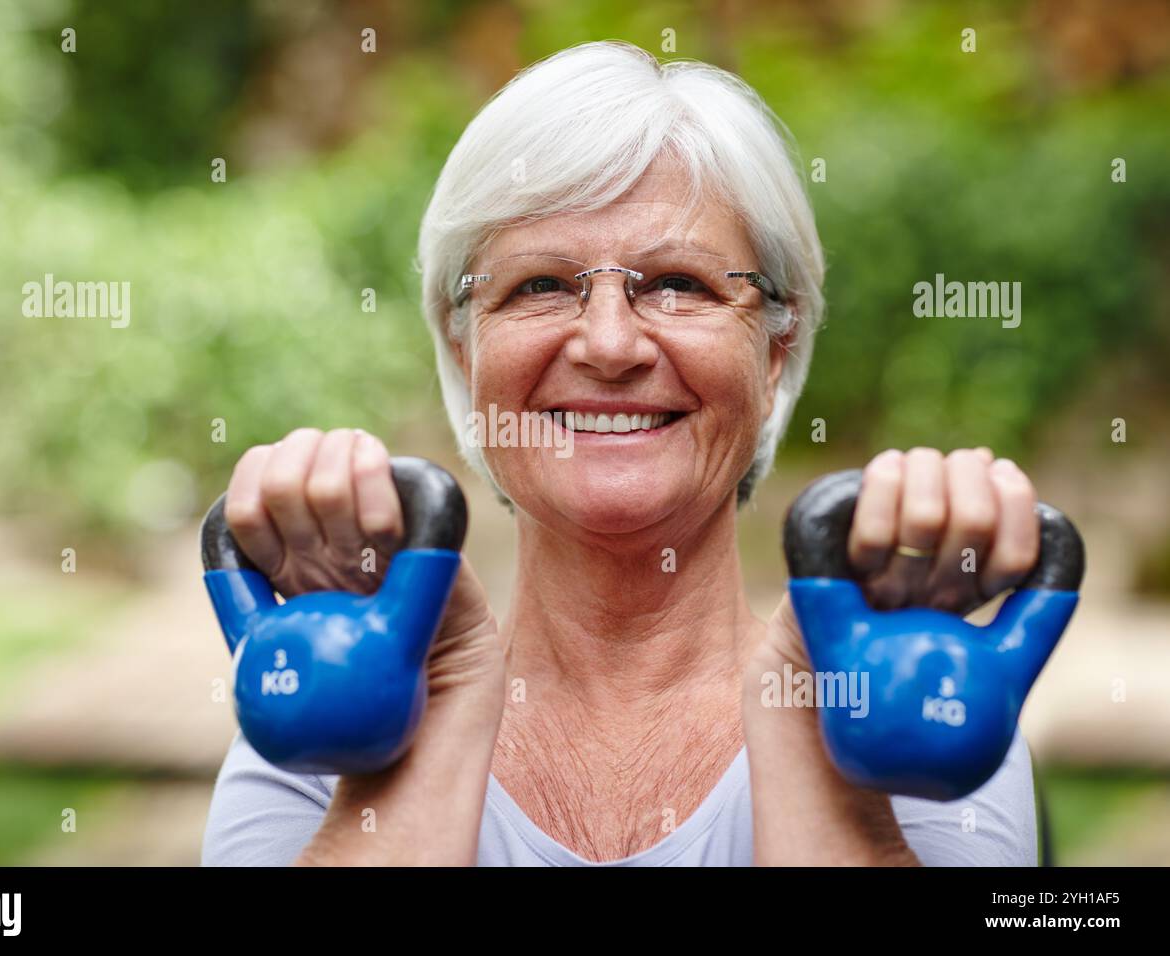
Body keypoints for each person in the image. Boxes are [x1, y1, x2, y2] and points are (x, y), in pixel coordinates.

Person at [202, 41, 1040, 866]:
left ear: (775, 349)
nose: (609, 344)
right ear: (465, 350)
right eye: (540, 286)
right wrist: (444, 695)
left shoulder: (926, 699)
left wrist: (801, 709)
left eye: (680, 283)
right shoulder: (322, 709)